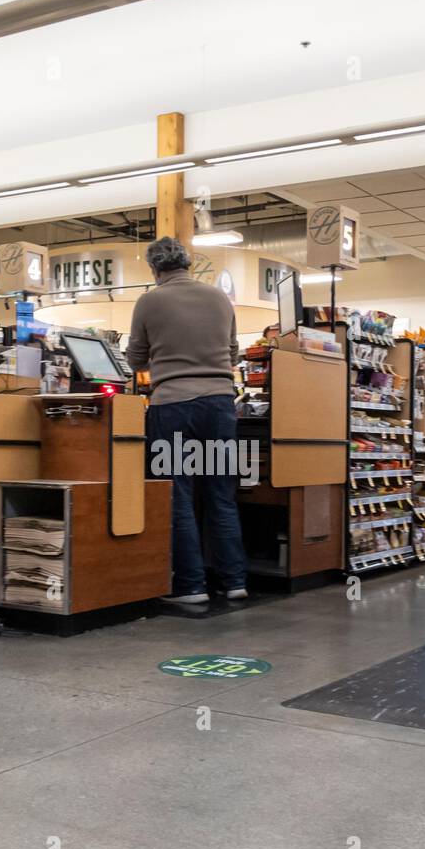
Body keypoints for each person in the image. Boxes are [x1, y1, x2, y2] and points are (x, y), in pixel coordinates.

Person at [127, 236, 247, 604]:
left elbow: (136, 358)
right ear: (187, 263)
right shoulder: (219, 298)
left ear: (154, 268)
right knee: (221, 495)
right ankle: (234, 581)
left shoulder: (149, 301)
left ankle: (191, 586)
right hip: (221, 406)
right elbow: (232, 352)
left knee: (177, 494)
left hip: (173, 406)